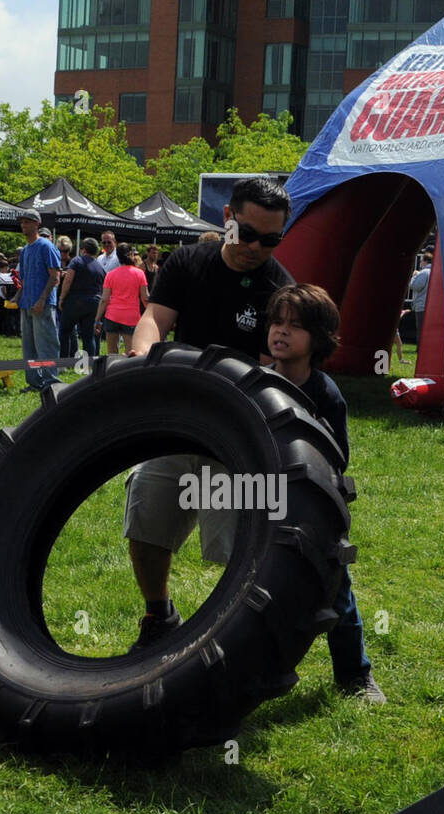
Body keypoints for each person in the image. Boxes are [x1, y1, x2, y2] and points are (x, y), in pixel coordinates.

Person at [122, 176, 295, 652]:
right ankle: (159, 615)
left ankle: (236, 635)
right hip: (176, 422)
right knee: (148, 522)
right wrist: (143, 357)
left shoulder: (280, 289)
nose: (257, 246)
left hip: (237, 430)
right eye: (247, 232)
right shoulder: (187, 261)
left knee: (237, 545)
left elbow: (279, 365)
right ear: (227, 218)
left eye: (271, 239)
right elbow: (155, 318)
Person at [262, 283, 385, 702]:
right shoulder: (260, 383)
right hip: (265, 502)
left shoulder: (325, 393)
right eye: (277, 323)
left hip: (315, 513)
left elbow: (338, 458)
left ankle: (356, 675)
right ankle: (260, 671)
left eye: (294, 326)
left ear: (319, 338)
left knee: (338, 595)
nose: (280, 332)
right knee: (262, 593)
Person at [16, 209, 63, 389]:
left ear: (37, 224)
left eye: (28, 222)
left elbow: (55, 277)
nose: (24, 225)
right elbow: (25, 278)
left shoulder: (46, 246)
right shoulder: (26, 250)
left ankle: (51, 382)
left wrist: (42, 300)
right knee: (29, 348)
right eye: (22, 222)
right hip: (27, 303)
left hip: (42, 304)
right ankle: (34, 382)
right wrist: (18, 297)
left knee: (46, 345)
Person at [95, 242, 149, 354]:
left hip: (112, 316)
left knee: (112, 352)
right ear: (131, 254)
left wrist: (97, 319)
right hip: (131, 317)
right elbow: (145, 297)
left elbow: (105, 300)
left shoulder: (110, 274)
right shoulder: (139, 273)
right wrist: (150, 315)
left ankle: (113, 371)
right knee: (131, 351)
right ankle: (129, 371)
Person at [59, 236, 105, 358]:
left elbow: (68, 280)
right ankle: (88, 365)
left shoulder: (76, 261)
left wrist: (62, 298)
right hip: (94, 303)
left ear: (83, 249)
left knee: (65, 332)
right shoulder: (100, 268)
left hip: (75, 301)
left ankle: (64, 363)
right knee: (89, 336)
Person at [408, 254, 430, 342]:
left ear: (425, 261)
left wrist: (414, 276)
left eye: (421, 261)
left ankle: (420, 349)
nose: (420, 263)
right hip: (431, 306)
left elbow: (414, 286)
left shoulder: (424, 272)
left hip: (422, 306)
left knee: (421, 329)